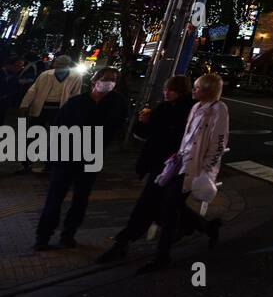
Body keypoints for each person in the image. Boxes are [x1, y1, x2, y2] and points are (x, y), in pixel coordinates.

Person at [96, 76, 194, 265]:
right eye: (166, 89)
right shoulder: (164, 108)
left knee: (152, 205)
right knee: (162, 205)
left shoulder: (191, 110)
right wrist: (143, 122)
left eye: (171, 90)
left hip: (177, 165)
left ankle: (128, 244)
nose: (166, 93)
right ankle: (193, 227)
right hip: (159, 164)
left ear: (182, 91)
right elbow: (145, 134)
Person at [137, 72, 228, 274]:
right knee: (169, 204)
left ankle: (162, 255)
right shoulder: (196, 107)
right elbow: (187, 136)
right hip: (181, 162)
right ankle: (206, 227)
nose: (193, 91)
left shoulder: (218, 109)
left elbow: (219, 143)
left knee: (169, 206)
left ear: (208, 90)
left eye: (197, 87)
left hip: (195, 168)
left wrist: (205, 169)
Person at [34, 67, 126, 250]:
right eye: (106, 78)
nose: (109, 82)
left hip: (91, 158)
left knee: (80, 199)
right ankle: (43, 237)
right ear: (95, 80)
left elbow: (116, 128)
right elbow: (58, 129)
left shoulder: (117, 103)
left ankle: (68, 234)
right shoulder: (76, 103)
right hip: (66, 156)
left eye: (113, 79)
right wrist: (52, 158)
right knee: (54, 198)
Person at [16, 55, 82, 173]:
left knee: (57, 138)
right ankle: (26, 163)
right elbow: (33, 90)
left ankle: (49, 165)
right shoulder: (46, 75)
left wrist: (74, 111)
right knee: (33, 136)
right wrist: (24, 104)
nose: (59, 67)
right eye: (58, 65)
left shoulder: (75, 76)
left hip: (61, 109)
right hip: (41, 108)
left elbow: (75, 94)